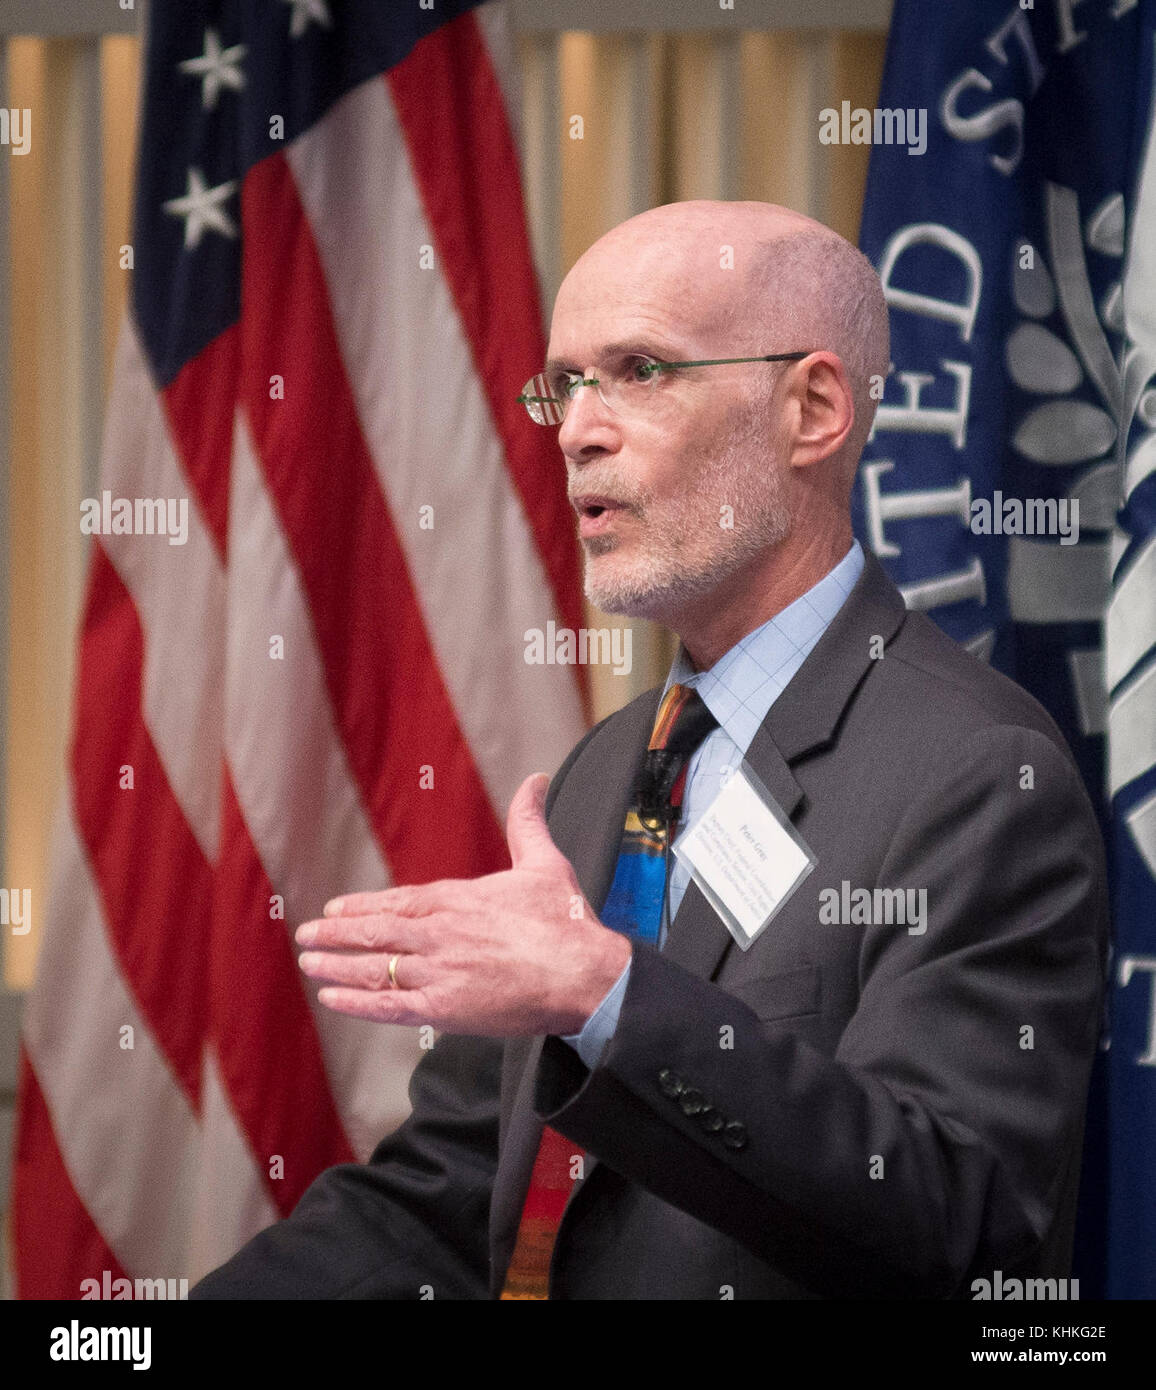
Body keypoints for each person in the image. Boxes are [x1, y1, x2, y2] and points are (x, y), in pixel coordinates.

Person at [191, 200, 1108, 1300]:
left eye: (639, 370)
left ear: (812, 408)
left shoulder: (979, 775)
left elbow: (951, 1217)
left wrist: (608, 991)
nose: (577, 427)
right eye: (564, 383)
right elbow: (452, 1188)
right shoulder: (604, 770)